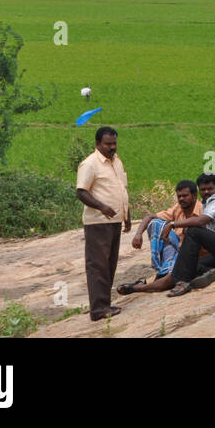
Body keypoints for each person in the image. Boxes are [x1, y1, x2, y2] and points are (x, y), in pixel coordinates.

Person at [75, 126, 130, 320]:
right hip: (98, 222)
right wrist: (102, 207)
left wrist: (127, 215)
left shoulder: (116, 161)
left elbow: (122, 188)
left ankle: (104, 303)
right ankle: (98, 309)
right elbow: (81, 192)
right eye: (108, 144)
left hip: (114, 221)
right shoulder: (90, 164)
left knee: (109, 264)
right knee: (97, 265)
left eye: (114, 143)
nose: (112, 147)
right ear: (97, 143)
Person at [119, 180, 203, 295]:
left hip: (192, 253)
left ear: (194, 196)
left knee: (172, 278)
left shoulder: (202, 211)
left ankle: (139, 287)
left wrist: (172, 225)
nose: (181, 199)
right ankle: (164, 270)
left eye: (185, 196)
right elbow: (150, 217)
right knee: (156, 223)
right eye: (179, 196)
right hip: (178, 248)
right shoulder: (178, 208)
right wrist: (138, 234)